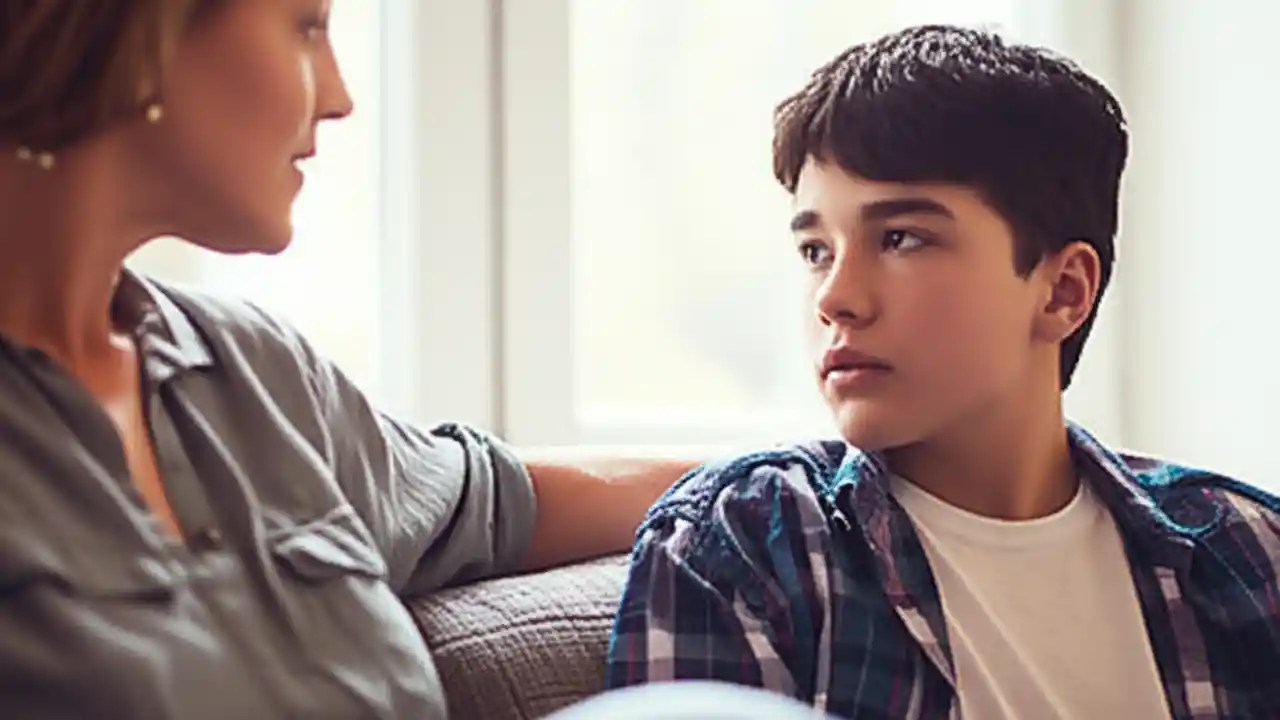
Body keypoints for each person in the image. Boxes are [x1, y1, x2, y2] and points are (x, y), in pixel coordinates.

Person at [0, 2, 706, 717]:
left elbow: (507, 501)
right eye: (306, 27)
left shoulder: (254, 371)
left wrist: (794, 471)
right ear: (143, 32)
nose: (339, 97)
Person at [607, 24, 1280, 719]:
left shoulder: (1249, 556)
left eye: (900, 238)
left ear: (1063, 291)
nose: (836, 297)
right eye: (815, 250)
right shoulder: (745, 547)